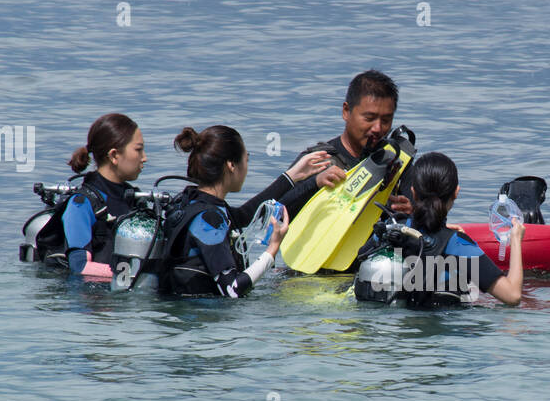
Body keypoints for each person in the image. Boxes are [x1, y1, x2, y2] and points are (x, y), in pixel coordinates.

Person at [159, 125, 337, 297]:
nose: (247, 167)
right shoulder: (209, 218)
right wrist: (272, 250)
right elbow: (233, 288)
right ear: (231, 165)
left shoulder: (192, 202)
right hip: (201, 320)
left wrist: (296, 176)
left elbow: (244, 216)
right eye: (247, 159)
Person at [356, 152, 524, 306]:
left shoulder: (390, 230)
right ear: (456, 192)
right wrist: (515, 239)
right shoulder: (458, 245)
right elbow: (513, 296)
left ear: (413, 193)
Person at [279, 69, 414, 219]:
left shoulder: (398, 163)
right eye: (369, 118)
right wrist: (314, 184)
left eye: (386, 120)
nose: (378, 128)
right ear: (346, 111)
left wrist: (413, 214)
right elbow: (275, 215)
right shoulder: (316, 162)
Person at [60, 113, 147, 278]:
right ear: (114, 155)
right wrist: (129, 274)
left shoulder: (134, 199)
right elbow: (79, 266)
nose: (144, 158)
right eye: (138, 149)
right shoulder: (81, 204)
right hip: (95, 300)